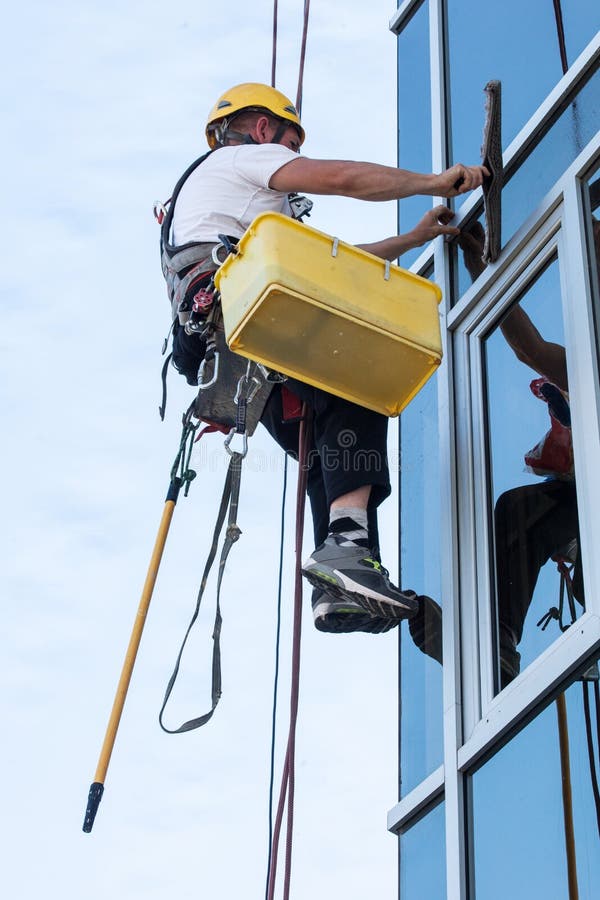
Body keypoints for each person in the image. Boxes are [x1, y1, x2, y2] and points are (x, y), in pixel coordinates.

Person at [164, 82, 488, 634]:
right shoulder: (243, 159)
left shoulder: (221, 208)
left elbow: (328, 262)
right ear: (262, 128)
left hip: (241, 350)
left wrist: (410, 241)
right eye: (291, 145)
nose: (293, 160)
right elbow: (342, 178)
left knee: (326, 452)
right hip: (250, 317)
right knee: (361, 372)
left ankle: (341, 586)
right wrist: (433, 182)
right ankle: (347, 550)